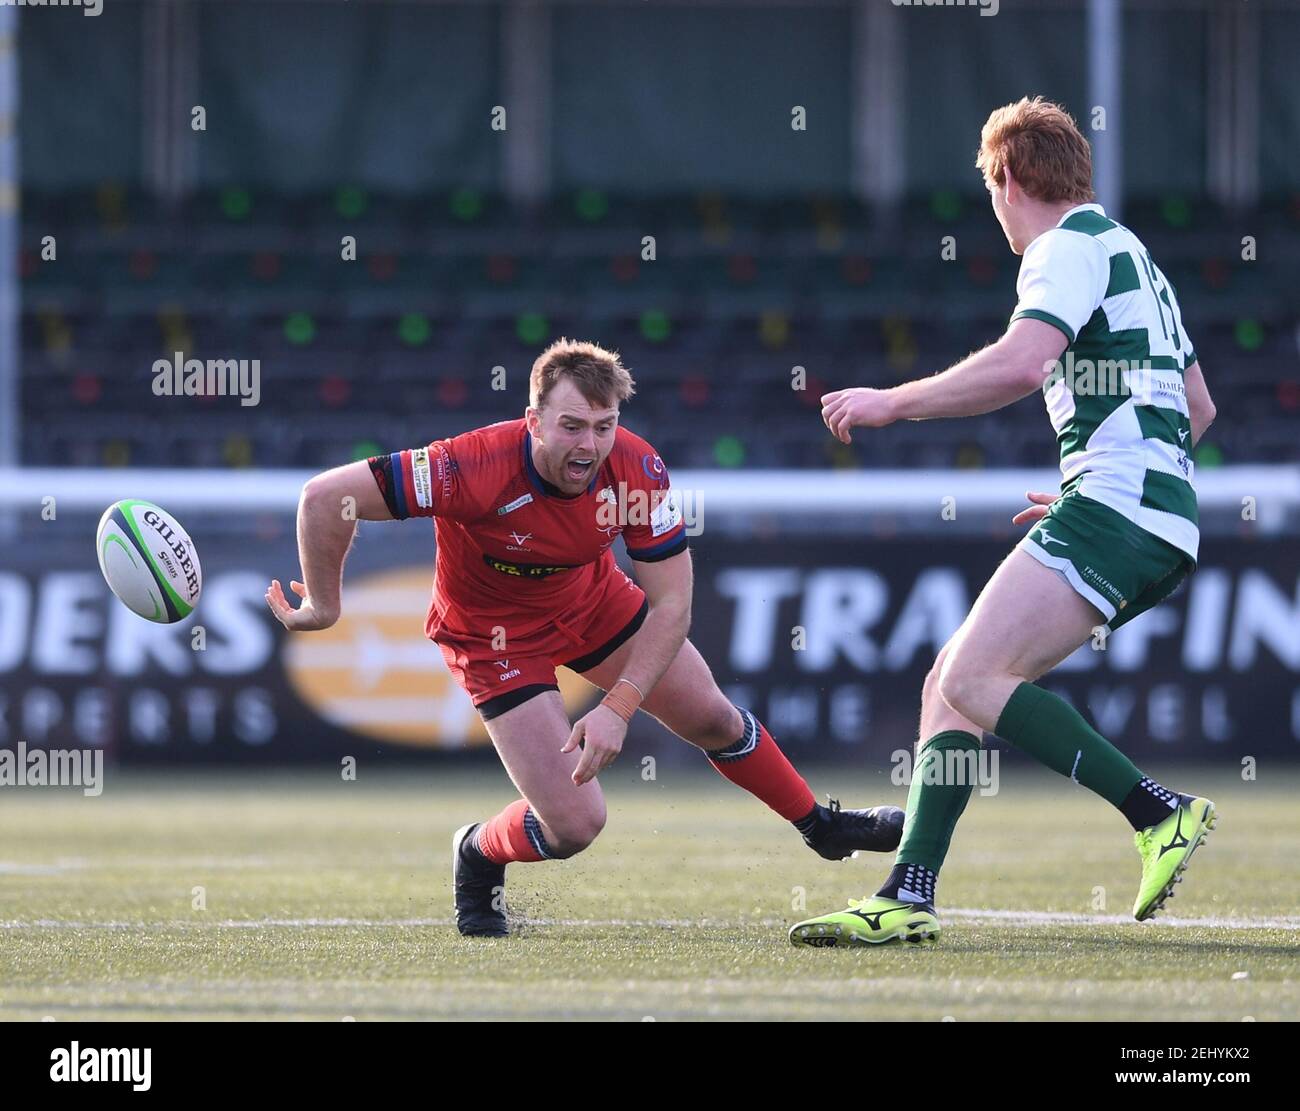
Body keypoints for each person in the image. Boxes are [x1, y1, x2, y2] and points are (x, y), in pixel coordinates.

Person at [267, 337, 903, 937]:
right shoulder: (470, 465)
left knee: (712, 716)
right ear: (534, 419)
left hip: (591, 604)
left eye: (604, 427)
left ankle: (819, 825)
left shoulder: (635, 467)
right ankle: (477, 850)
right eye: (572, 426)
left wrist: (618, 707)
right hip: (495, 639)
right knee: (575, 825)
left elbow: (673, 603)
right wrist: (324, 605)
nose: (590, 445)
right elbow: (325, 498)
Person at [791, 97, 1218, 948]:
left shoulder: (1061, 248)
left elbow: (1024, 363)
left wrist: (891, 403)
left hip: (1121, 505)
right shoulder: (1128, 250)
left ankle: (1156, 811)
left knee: (972, 680)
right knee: (951, 678)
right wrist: (1096, 476)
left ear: (1007, 177)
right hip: (1151, 510)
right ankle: (909, 890)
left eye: (990, 188)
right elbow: (1197, 408)